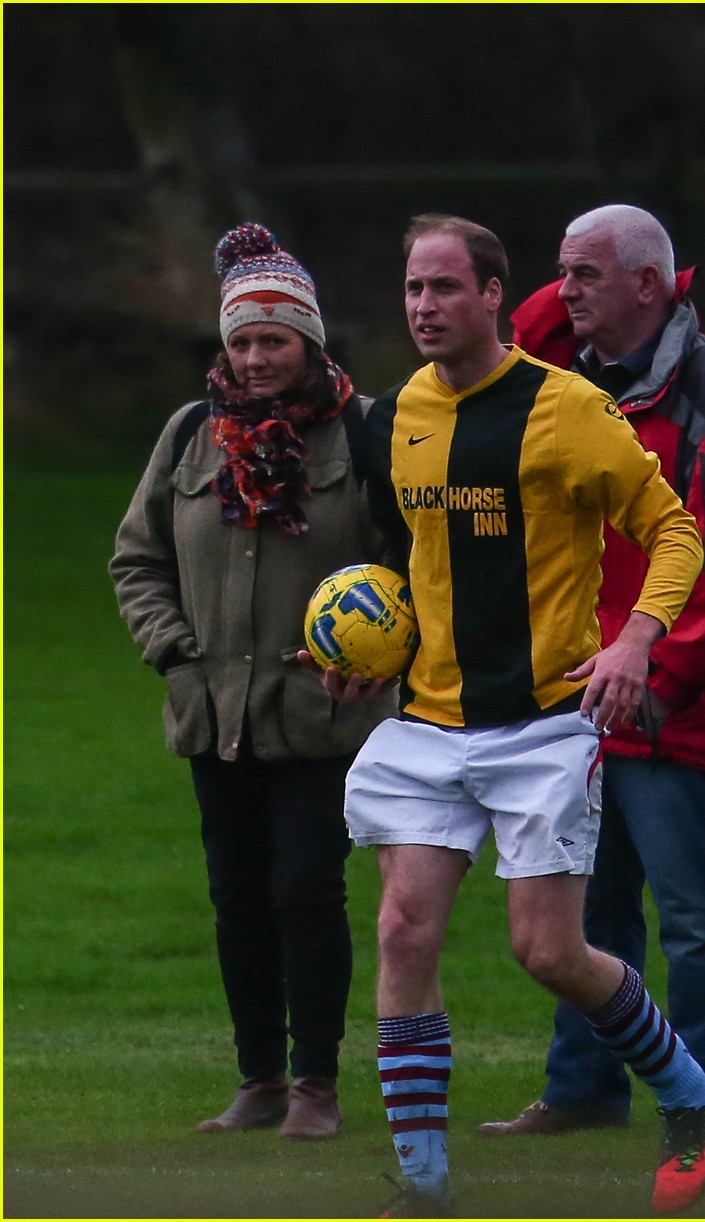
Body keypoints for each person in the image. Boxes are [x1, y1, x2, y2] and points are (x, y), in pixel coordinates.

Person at [321, 213, 705, 1217]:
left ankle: (690, 1092)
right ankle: (423, 1182)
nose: (423, 307)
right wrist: (367, 653)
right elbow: (417, 566)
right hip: (429, 722)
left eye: (444, 288)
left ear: (494, 295)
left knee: (547, 951)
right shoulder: (401, 415)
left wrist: (635, 639)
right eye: (412, 289)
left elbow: (673, 530)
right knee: (402, 929)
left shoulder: (568, 408)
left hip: (542, 724)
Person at [478, 204, 705, 1141]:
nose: (563, 292)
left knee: (693, 910)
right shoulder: (565, 372)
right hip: (573, 692)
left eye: (585, 274)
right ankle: (583, 1090)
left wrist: (654, 678)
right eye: (561, 272)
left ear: (649, 286)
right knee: (586, 909)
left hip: (667, 701)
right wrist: (582, 276)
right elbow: (513, 331)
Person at [110, 223, 395, 1140]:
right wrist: (174, 652)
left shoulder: (368, 432)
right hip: (212, 715)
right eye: (242, 340)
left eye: (275, 339)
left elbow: (415, 568)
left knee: (306, 893)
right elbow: (137, 559)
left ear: (310, 341)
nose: (257, 357)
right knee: (237, 901)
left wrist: (383, 658)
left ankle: (315, 1086)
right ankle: (259, 1081)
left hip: (324, 717)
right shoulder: (189, 435)